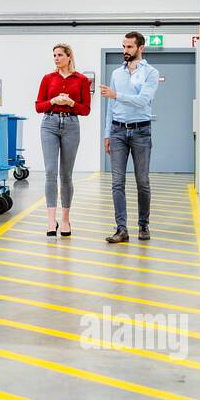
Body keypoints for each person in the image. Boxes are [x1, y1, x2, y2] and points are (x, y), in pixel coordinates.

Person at [100, 31, 160, 244]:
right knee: (117, 182)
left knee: (142, 181)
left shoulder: (151, 73)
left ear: (140, 48)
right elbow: (110, 106)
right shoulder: (117, 73)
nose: (125, 51)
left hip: (141, 132)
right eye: (123, 47)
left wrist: (116, 95)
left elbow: (143, 101)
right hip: (117, 132)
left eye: (129, 47)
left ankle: (143, 225)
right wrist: (107, 134)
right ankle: (121, 229)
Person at [34, 43, 90, 237]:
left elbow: (85, 110)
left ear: (69, 57)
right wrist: (53, 101)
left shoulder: (81, 79)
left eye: (59, 55)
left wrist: (71, 103)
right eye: (54, 55)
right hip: (49, 123)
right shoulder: (48, 78)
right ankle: (51, 220)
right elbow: (38, 106)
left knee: (66, 175)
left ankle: (65, 219)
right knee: (50, 172)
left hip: (71, 125)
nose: (56, 58)